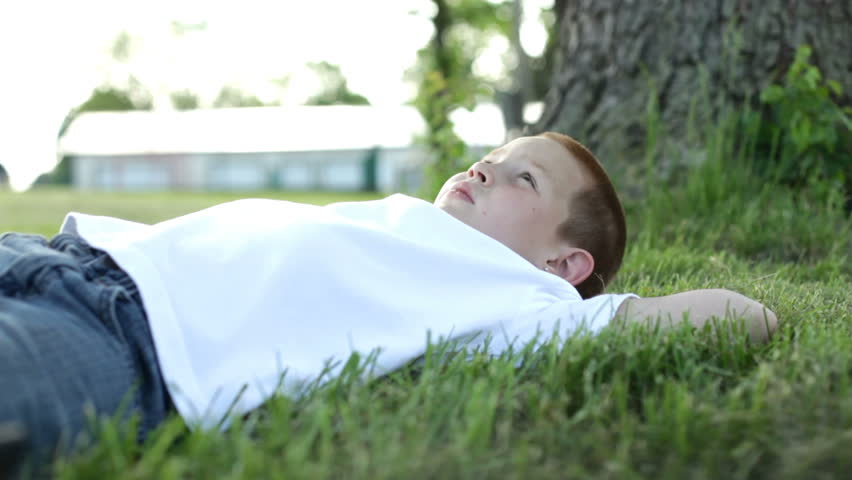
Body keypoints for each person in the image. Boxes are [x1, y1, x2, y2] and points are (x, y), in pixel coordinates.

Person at [0, 132, 778, 469]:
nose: (484, 170)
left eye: (523, 180)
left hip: (122, 340)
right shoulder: (409, 223)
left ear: (564, 262)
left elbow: (745, 316)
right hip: (73, 255)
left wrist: (583, 312)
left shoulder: (524, 304)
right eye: (493, 159)